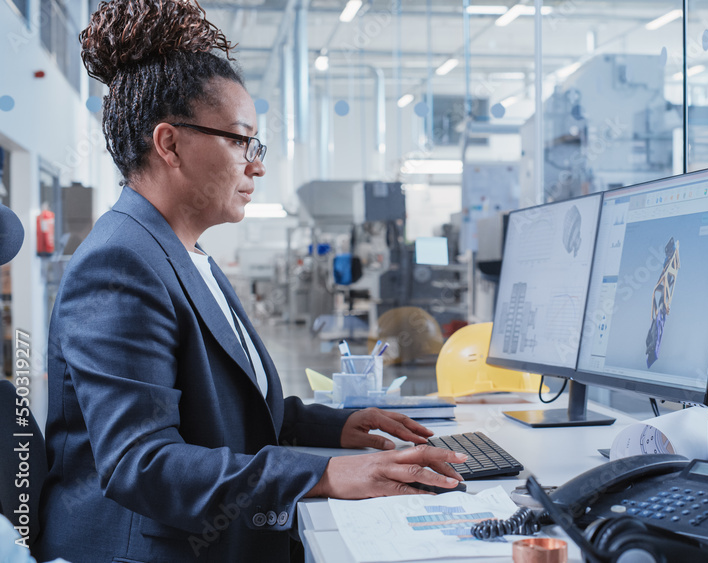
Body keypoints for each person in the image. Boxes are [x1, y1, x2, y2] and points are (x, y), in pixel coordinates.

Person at [36, 1, 465, 561]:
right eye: (240, 141)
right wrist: (328, 474)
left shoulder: (189, 256)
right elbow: (141, 464)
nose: (256, 165)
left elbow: (229, 412)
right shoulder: (119, 263)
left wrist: (338, 428)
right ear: (169, 145)